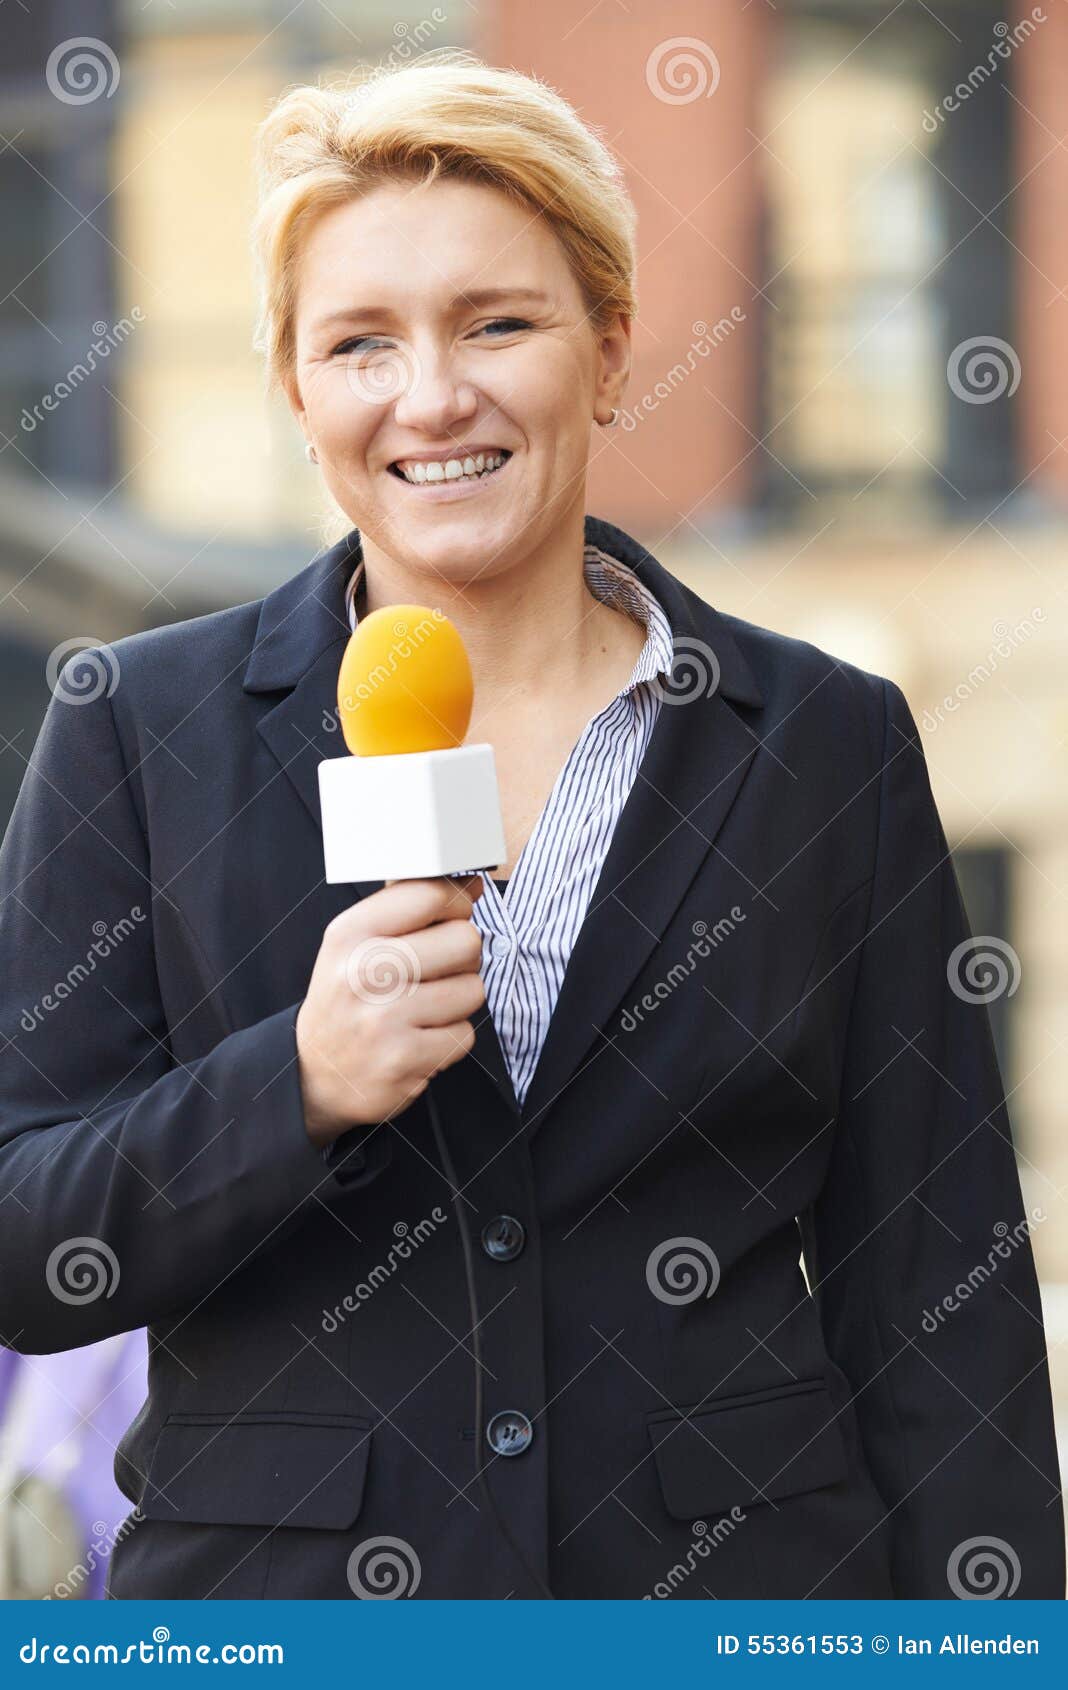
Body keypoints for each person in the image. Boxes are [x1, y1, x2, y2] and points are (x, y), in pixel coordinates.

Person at [0, 51, 1062, 1601]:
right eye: (360, 342)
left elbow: (938, 1287)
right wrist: (296, 1083)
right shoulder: (137, 728)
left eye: (498, 322)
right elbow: (26, 1235)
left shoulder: (822, 743)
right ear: (297, 390)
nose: (433, 394)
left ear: (610, 351)